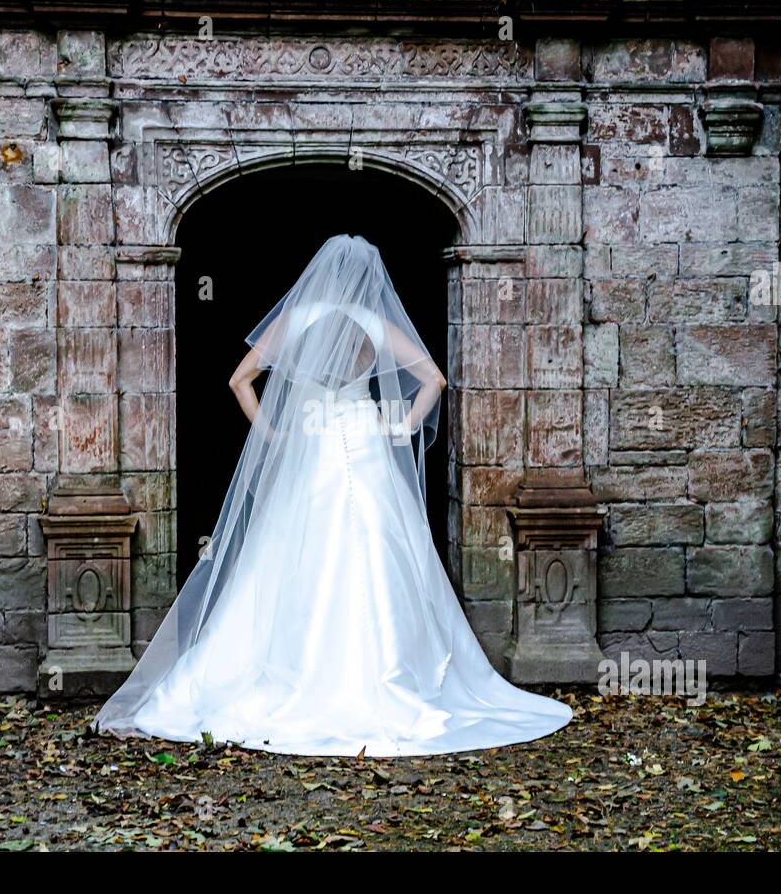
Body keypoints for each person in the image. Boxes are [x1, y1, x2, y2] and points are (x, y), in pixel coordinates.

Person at [94, 234, 572, 756]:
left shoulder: (297, 318)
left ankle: (277, 672)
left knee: (284, 555)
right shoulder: (375, 323)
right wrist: (402, 428)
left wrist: (273, 431)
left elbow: (239, 380)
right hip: (365, 441)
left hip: (309, 443)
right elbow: (433, 378)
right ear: (369, 278)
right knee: (380, 550)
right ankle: (387, 675)